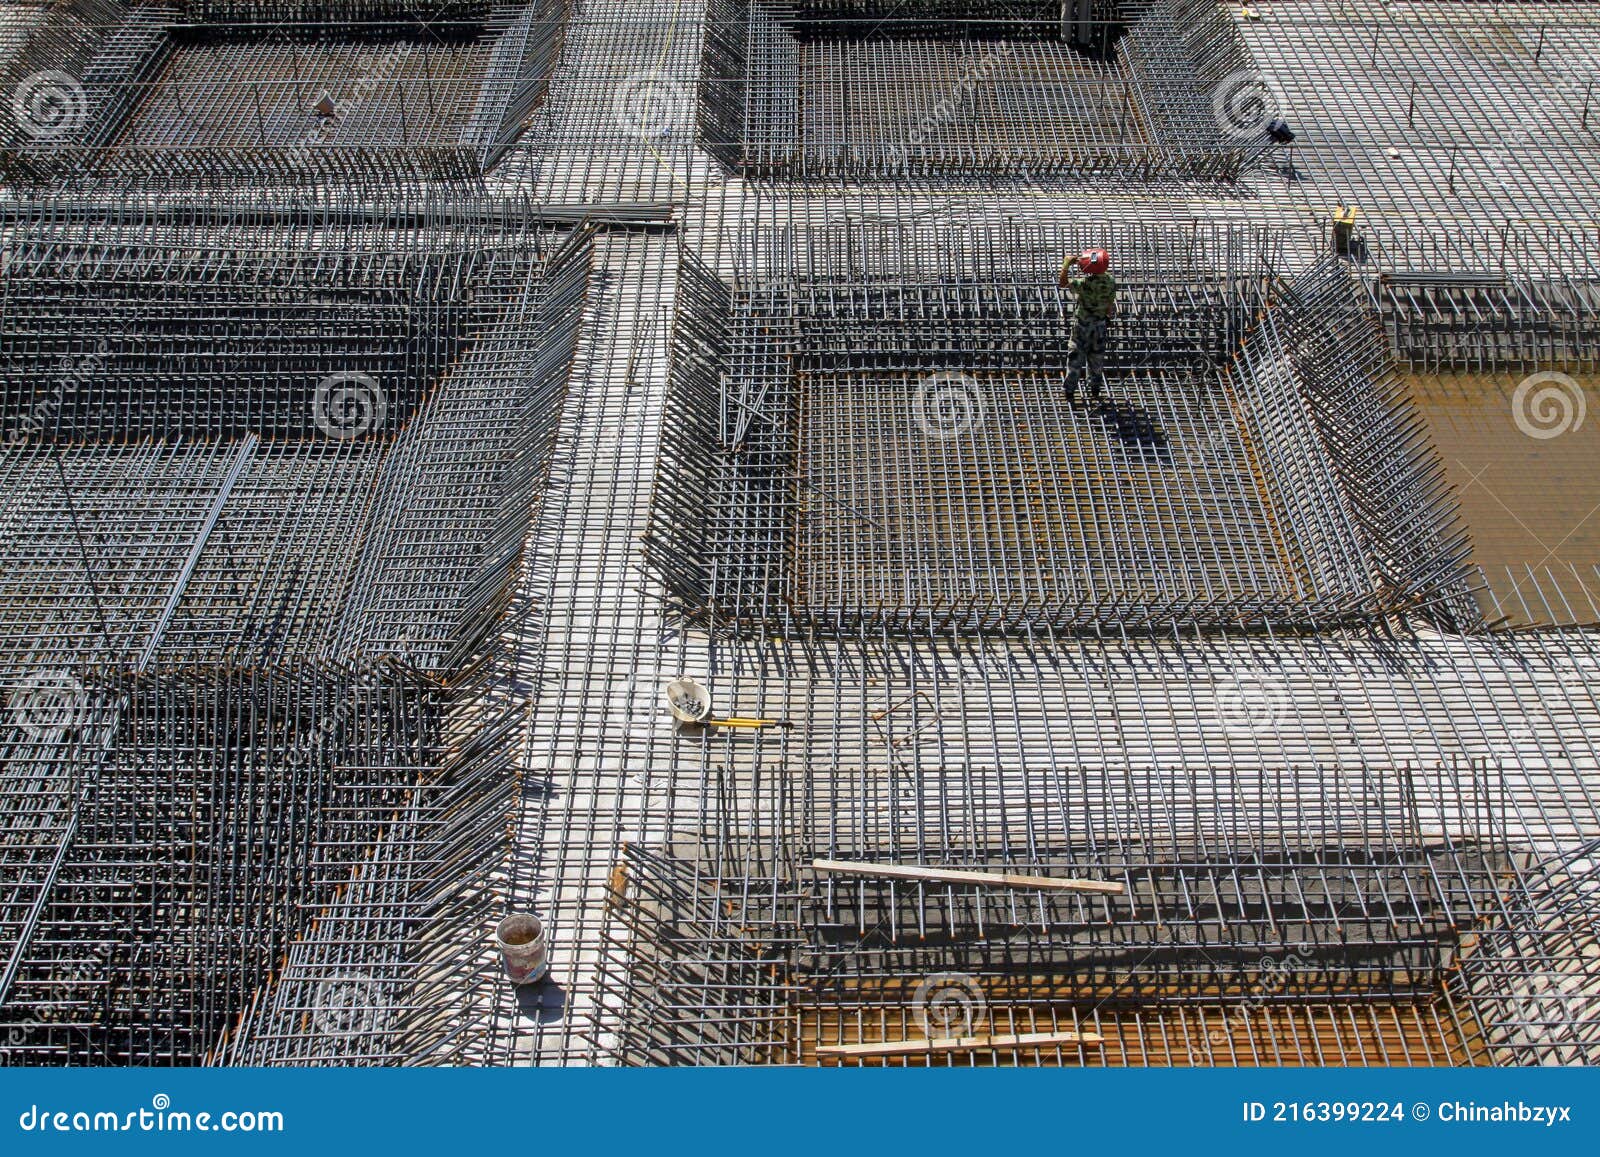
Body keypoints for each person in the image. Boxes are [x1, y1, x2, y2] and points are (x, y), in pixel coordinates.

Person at [1059, 247, 1116, 404]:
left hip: (1082, 326)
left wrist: (1066, 264)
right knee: (1096, 359)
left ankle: (1070, 392)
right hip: (1100, 325)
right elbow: (1110, 305)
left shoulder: (1084, 283)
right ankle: (1095, 390)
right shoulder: (1110, 281)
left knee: (1075, 358)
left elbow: (1063, 283)